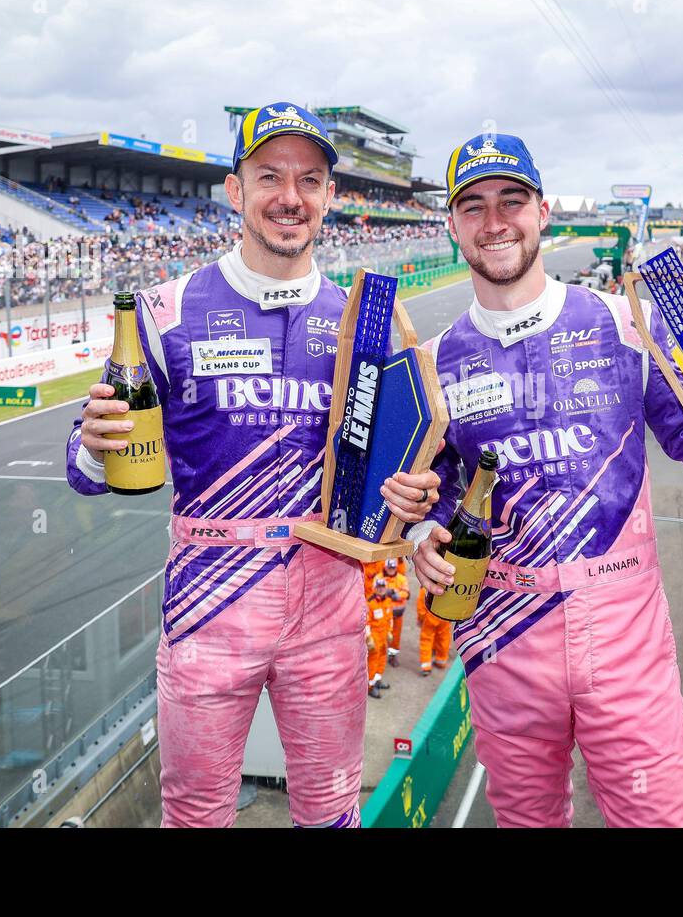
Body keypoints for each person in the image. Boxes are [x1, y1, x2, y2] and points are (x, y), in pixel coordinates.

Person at [409, 132, 683, 828]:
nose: (495, 221)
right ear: (453, 224)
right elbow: (426, 494)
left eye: (511, 201)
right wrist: (425, 534)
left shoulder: (623, 325)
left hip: (624, 635)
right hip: (503, 631)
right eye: (474, 206)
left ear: (542, 212)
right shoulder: (431, 363)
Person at [66, 101, 439, 829]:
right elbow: (83, 471)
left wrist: (413, 499)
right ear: (235, 191)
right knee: (197, 815)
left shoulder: (367, 321)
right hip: (209, 601)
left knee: (332, 812)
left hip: (329, 597)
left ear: (332, 196)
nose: (290, 197)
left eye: (310, 179)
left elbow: (403, 470)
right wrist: (92, 440)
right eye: (269, 175)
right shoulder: (162, 311)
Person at [414, 587, 452, 676]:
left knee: (426, 639)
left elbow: (421, 607)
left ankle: (426, 666)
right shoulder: (448, 587)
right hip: (444, 617)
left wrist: (421, 619)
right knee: (443, 638)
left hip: (430, 618)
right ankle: (441, 661)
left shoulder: (425, 589)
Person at [366, 575, 393, 698]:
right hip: (375, 636)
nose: (381, 589)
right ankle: (369, 686)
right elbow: (366, 623)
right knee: (372, 660)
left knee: (382, 658)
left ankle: (377, 680)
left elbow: (390, 618)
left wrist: (389, 632)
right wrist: (369, 638)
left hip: (383, 635)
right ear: (375, 588)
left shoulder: (387, 600)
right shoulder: (370, 603)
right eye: (379, 587)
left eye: (383, 587)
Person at [383, 556, 410, 662]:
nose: (391, 570)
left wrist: (396, 594)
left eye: (393, 568)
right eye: (389, 568)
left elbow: (406, 593)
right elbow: (376, 592)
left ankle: (392, 655)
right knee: (381, 634)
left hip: (398, 614)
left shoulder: (401, 579)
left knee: (396, 635)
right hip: (385, 614)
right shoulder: (381, 578)